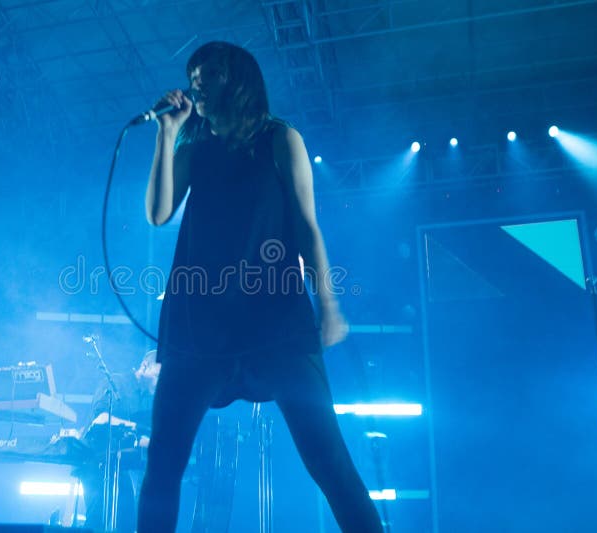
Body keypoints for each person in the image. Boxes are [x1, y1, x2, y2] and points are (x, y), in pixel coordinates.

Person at [138, 41, 384, 532]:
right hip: (199, 328)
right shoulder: (194, 145)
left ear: (238, 79)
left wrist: (328, 305)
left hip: (274, 323)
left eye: (207, 75)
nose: (196, 85)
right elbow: (158, 213)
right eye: (192, 76)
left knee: (328, 460)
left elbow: (306, 225)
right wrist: (167, 136)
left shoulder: (279, 138)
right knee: (163, 466)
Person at [80, 349, 160, 532]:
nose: (161, 383)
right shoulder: (116, 382)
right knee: (98, 520)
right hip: (95, 462)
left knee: (127, 523)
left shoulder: (146, 399)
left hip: (119, 466)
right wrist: (140, 432)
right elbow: (100, 418)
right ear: (145, 366)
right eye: (158, 376)